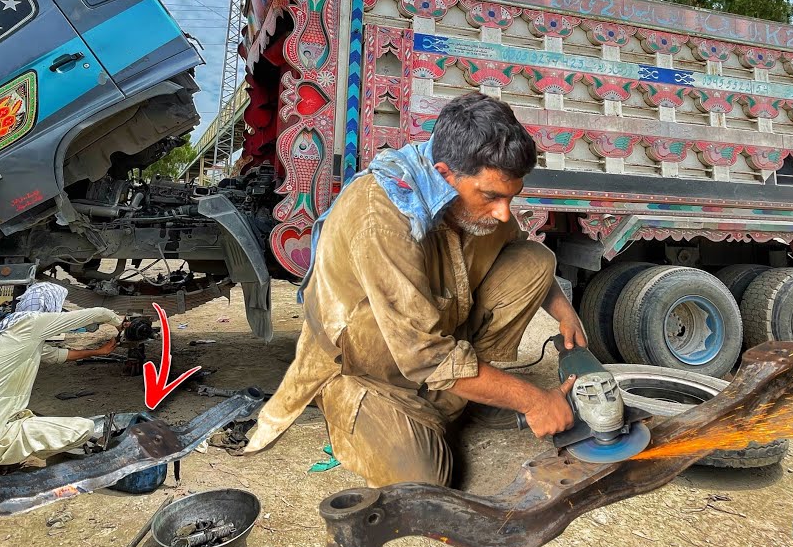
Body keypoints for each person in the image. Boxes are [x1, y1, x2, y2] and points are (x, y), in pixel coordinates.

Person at [244, 93, 587, 487]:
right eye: (492, 196)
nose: (504, 212)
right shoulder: (382, 214)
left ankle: (470, 394)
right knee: (424, 481)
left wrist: (564, 311)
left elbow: (516, 246)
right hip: (367, 368)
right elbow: (424, 357)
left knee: (535, 261)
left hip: (430, 342)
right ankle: (349, 400)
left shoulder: (465, 189)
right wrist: (532, 400)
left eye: (511, 197)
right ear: (444, 174)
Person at [0, 282, 123, 473]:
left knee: (24, 422)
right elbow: (100, 313)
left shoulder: (12, 331)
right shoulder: (31, 323)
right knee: (85, 428)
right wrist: (120, 323)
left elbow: (57, 355)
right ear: (50, 305)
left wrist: (99, 351)